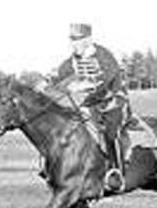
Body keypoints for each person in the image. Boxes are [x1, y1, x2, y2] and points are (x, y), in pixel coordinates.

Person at [46, 22, 130, 192]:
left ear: (88, 39)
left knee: (111, 130)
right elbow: (61, 86)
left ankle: (116, 172)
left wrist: (83, 88)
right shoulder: (68, 64)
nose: (74, 43)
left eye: (78, 39)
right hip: (86, 106)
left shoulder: (104, 56)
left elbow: (106, 82)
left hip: (112, 103)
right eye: (72, 40)